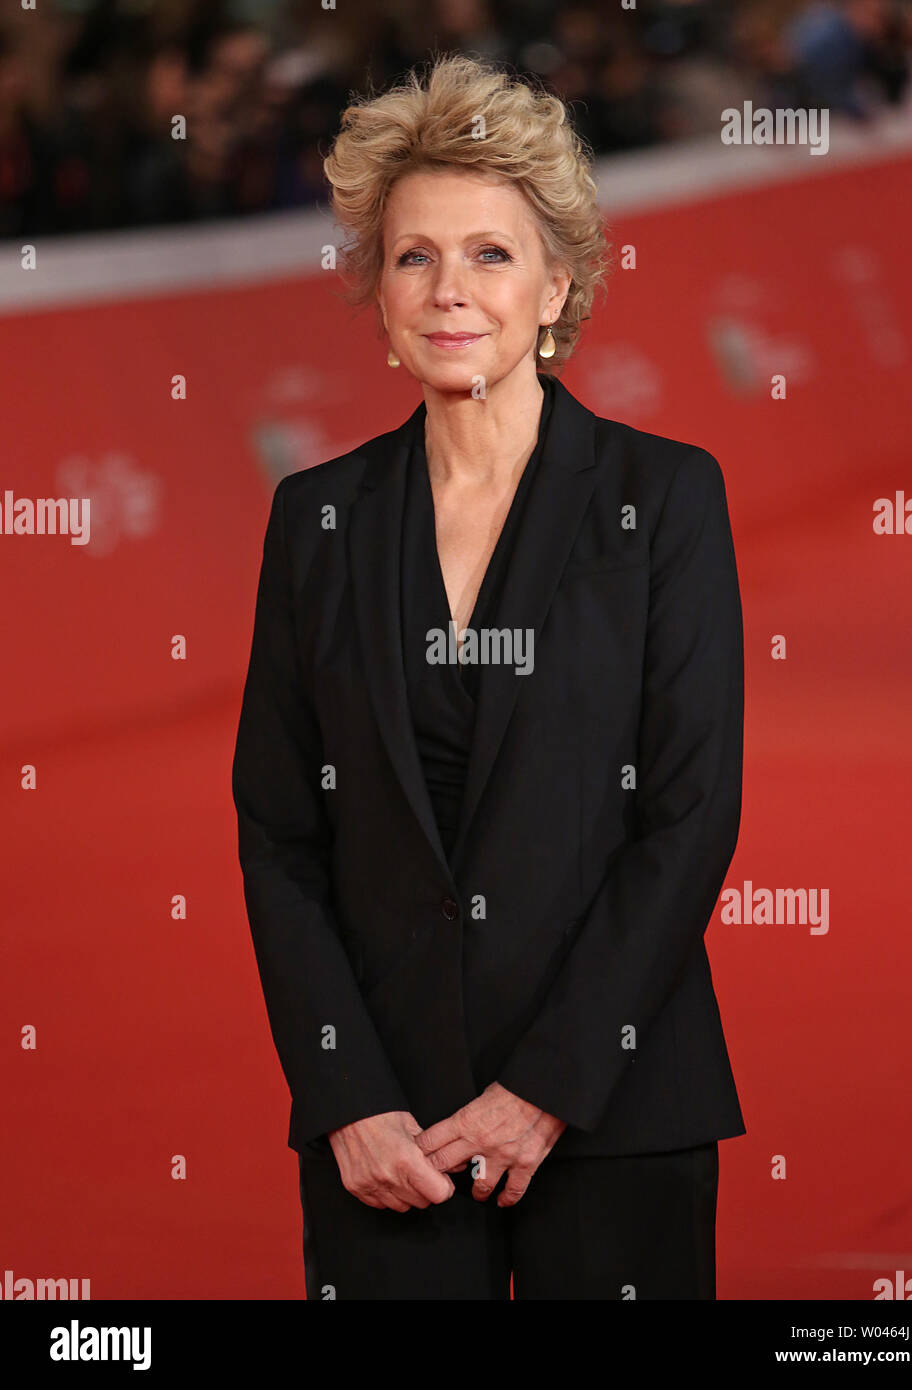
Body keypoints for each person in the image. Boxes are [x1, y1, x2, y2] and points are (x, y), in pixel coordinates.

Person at [231, 52, 746, 1301]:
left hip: (616, 1107)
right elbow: (279, 835)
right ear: (378, 290)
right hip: (389, 1140)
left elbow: (685, 820)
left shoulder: (663, 497)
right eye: (415, 257)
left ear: (557, 284)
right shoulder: (318, 519)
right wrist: (345, 1094)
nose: (450, 291)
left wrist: (545, 1092)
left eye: (491, 255)